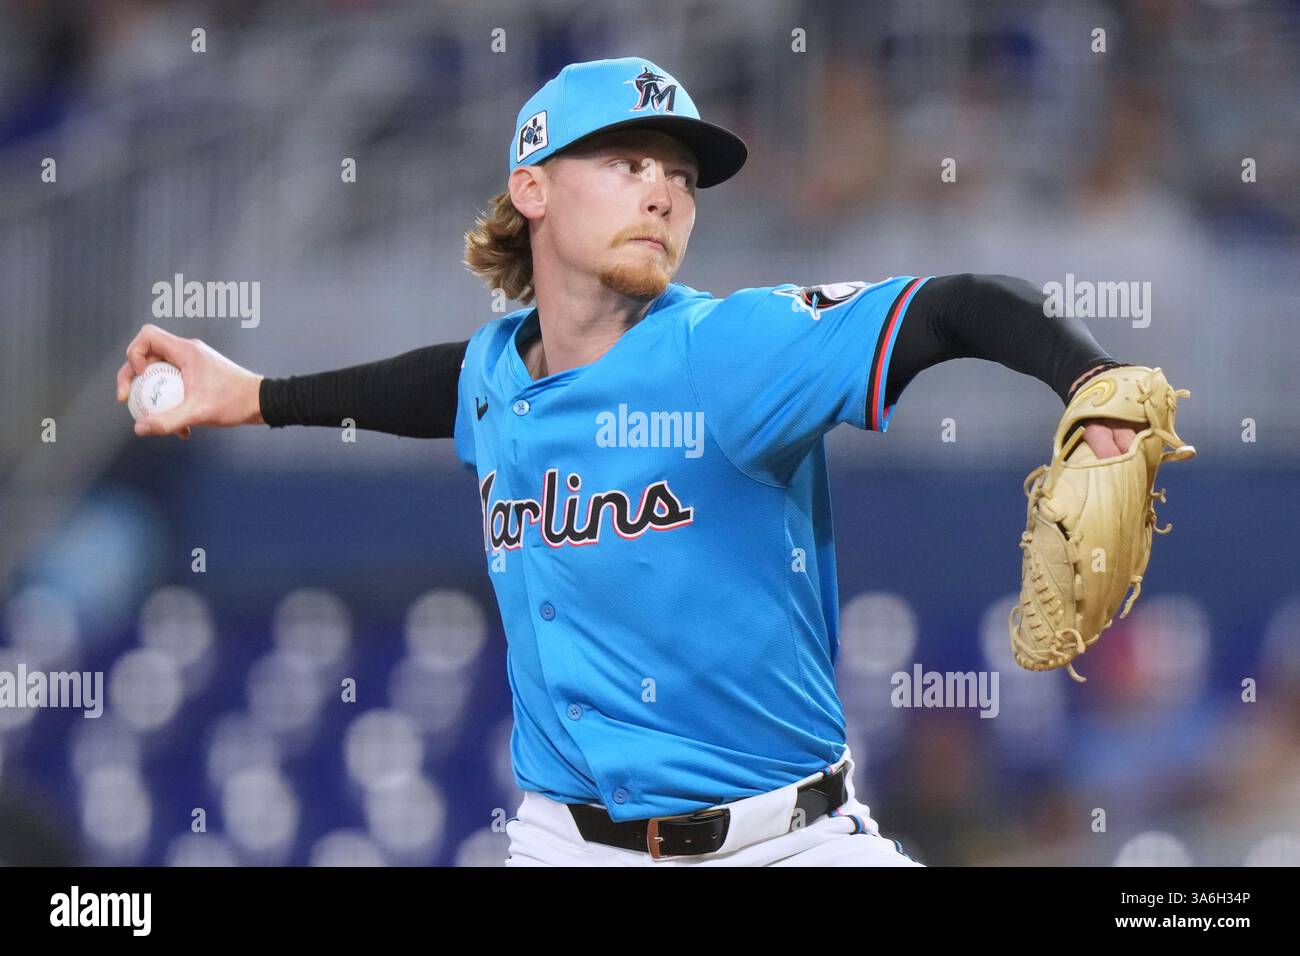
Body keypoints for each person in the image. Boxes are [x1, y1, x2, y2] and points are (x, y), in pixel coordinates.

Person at [116, 57, 1136, 866]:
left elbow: (953, 304)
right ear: (532, 187)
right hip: (563, 841)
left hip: (788, 841)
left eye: (679, 177)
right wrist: (250, 394)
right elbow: (435, 386)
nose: (662, 192)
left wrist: (1088, 379)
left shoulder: (731, 349)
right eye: (626, 162)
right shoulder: (494, 372)